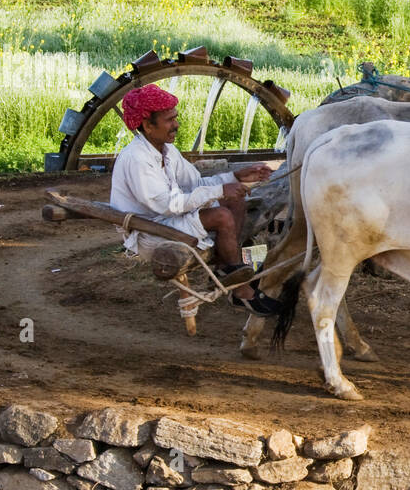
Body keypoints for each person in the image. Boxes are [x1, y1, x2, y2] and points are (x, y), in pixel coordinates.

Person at [109, 83, 282, 316]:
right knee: (222, 216)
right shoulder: (136, 159)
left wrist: (236, 176)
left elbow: (196, 183)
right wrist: (220, 190)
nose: (176, 125)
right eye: (169, 120)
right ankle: (242, 292)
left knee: (236, 202)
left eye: (175, 118)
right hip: (150, 232)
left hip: (166, 221)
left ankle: (227, 267)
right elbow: (167, 205)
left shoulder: (167, 152)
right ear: (148, 125)